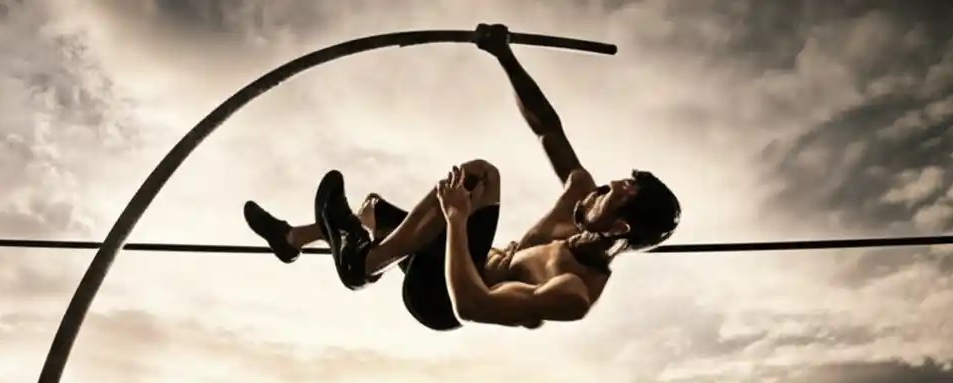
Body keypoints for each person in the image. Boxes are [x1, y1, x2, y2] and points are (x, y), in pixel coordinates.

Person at [242, 23, 681, 330]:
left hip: (442, 299)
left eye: (608, 193)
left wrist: (456, 219)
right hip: (448, 257)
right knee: (372, 210)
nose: (595, 189)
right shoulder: (579, 196)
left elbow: (473, 306)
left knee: (480, 176)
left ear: (621, 226)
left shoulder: (574, 291)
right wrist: (503, 54)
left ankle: (364, 263)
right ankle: (293, 240)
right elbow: (548, 128)